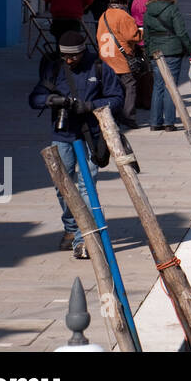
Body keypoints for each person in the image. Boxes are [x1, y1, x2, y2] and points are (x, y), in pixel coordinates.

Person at [28, 31, 124, 259]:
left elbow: (118, 98)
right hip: (62, 135)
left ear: (83, 52)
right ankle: (71, 228)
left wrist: (90, 105)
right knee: (63, 187)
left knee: (86, 187)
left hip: (90, 135)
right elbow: (34, 98)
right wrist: (53, 100)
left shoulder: (100, 67)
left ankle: (85, 238)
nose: (69, 61)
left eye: (74, 57)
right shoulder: (54, 68)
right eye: (66, 57)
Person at [142, 0, 191, 130]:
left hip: (155, 51)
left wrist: (148, 52)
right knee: (170, 86)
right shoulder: (172, 9)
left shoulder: (147, 11)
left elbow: (146, 35)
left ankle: (155, 122)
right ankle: (169, 122)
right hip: (172, 50)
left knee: (158, 86)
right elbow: (181, 32)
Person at [97, 0, 143, 129]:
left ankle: (112, 114)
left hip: (105, 57)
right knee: (130, 86)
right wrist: (142, 31)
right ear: (125, 1)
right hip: (120, 59)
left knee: (111, 88)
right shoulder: (124, 16)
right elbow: (133, 36)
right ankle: (128, 116)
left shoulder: (104, 15)